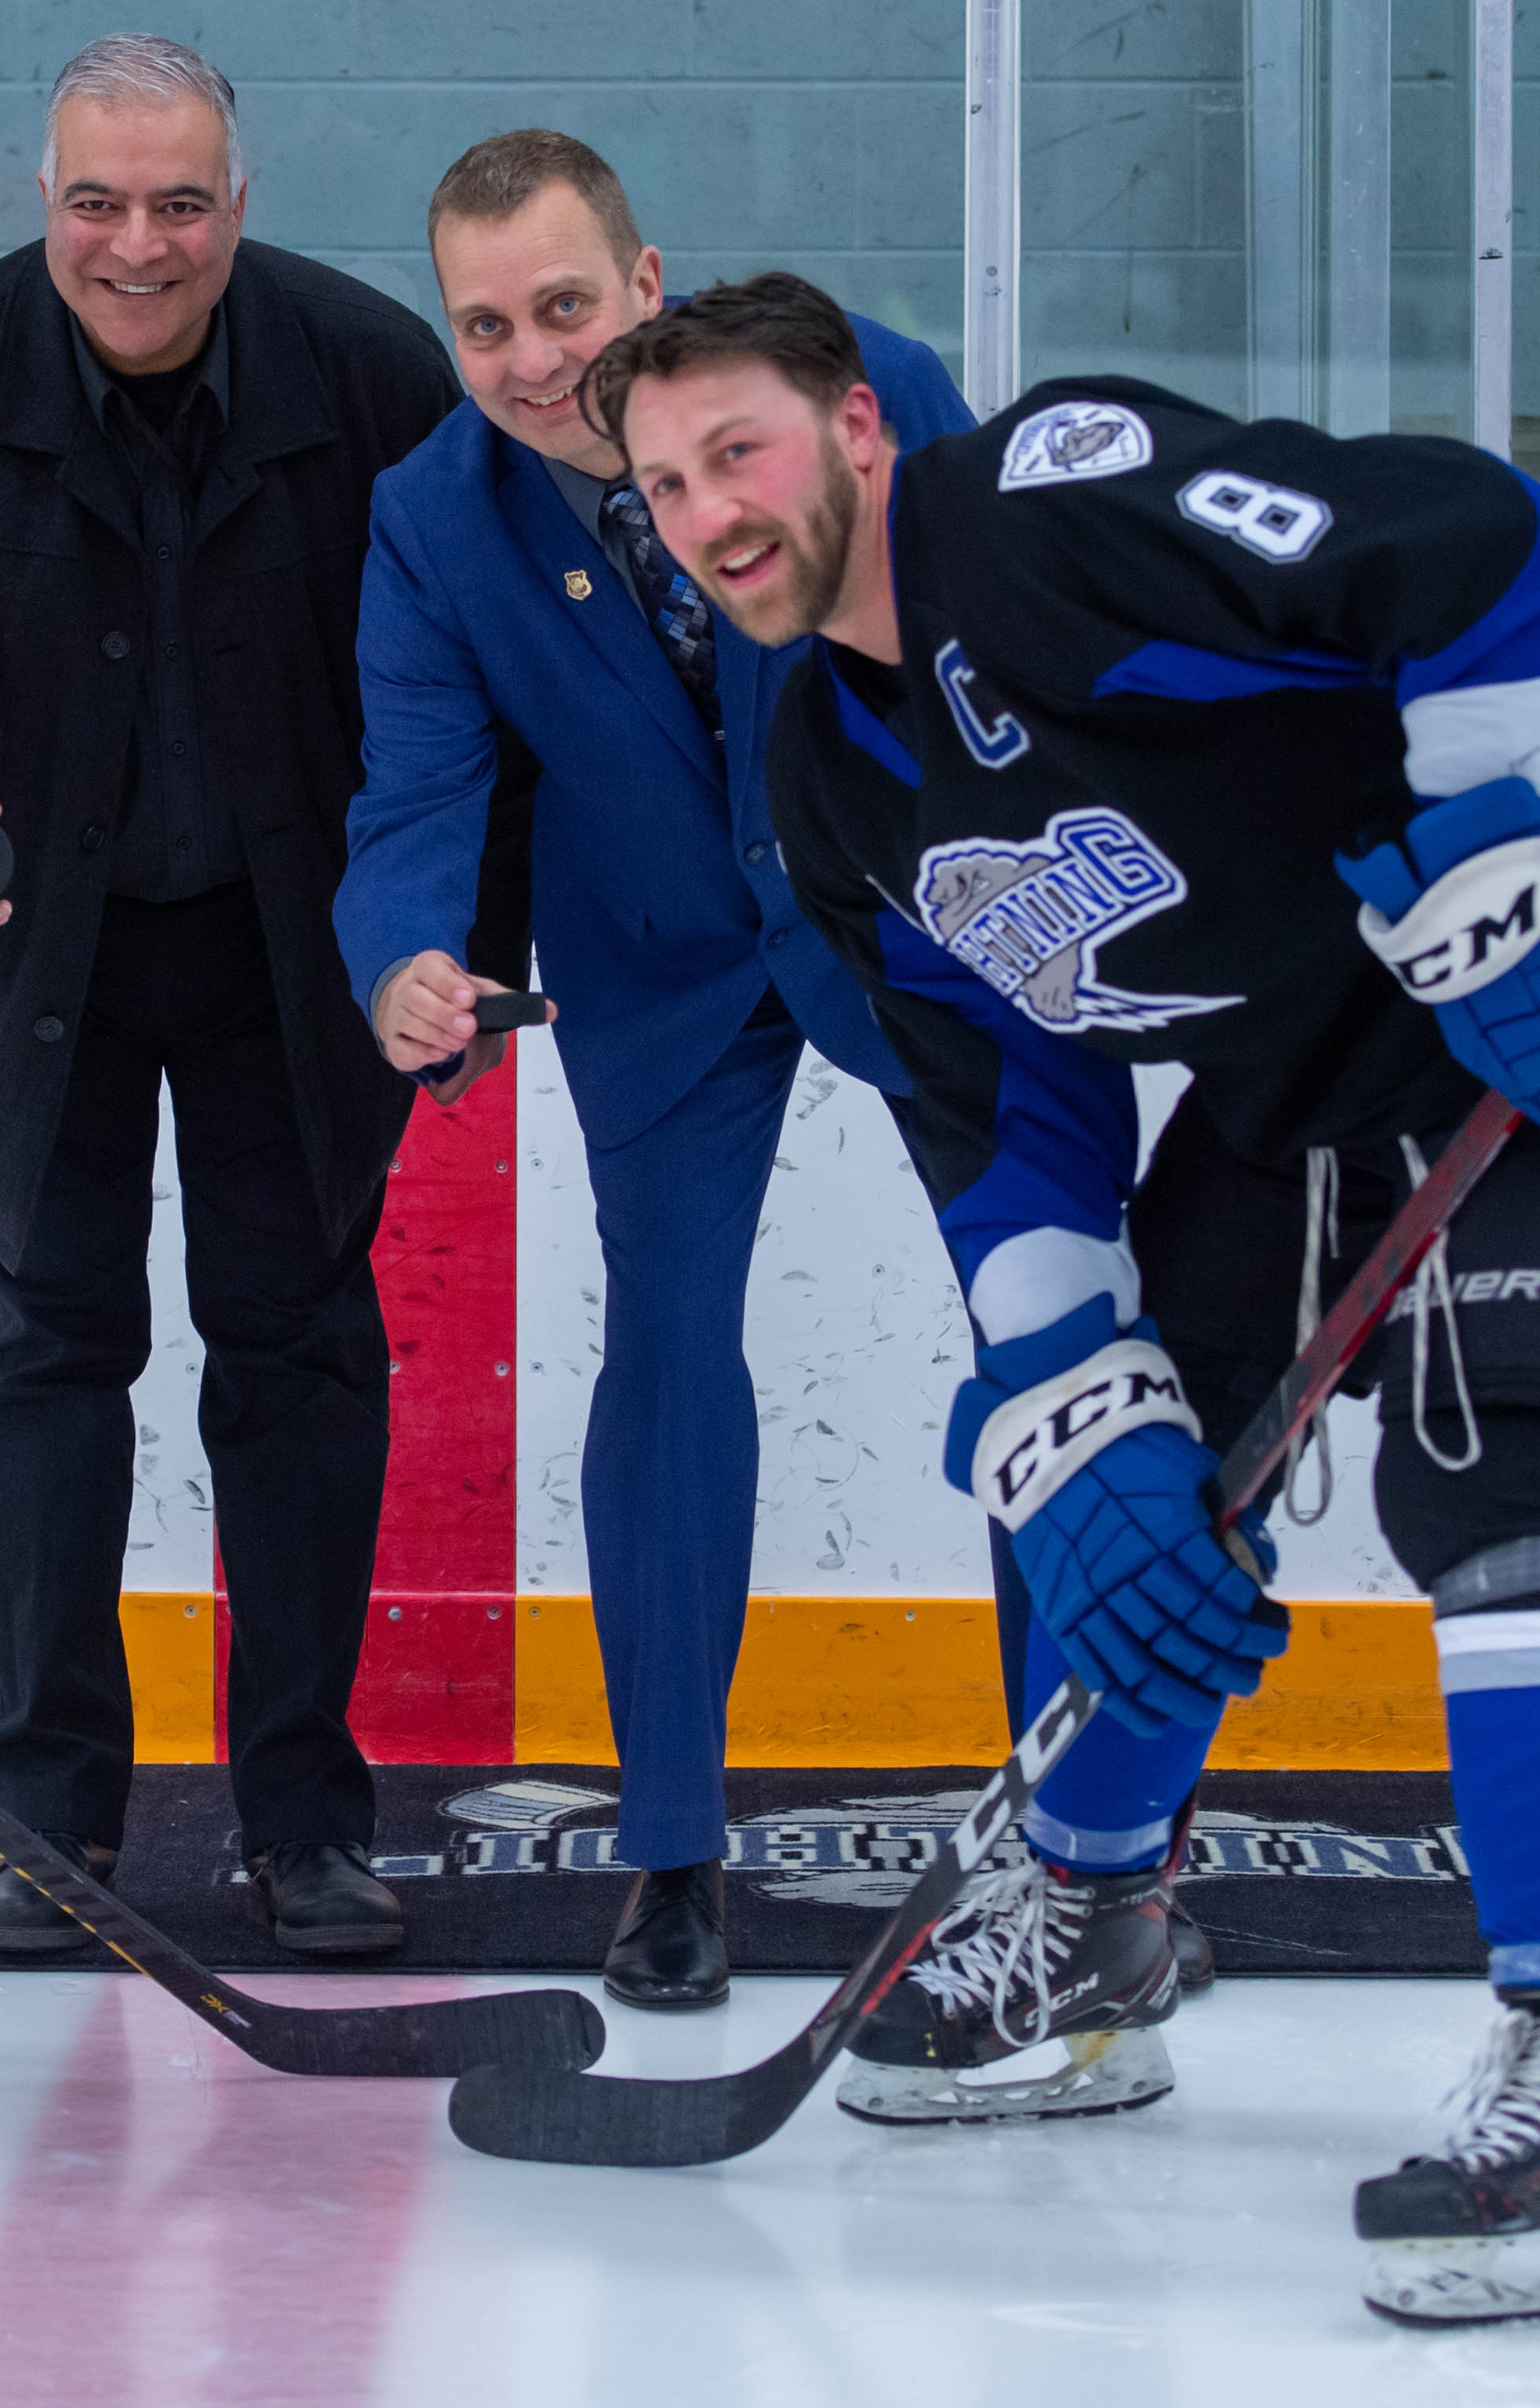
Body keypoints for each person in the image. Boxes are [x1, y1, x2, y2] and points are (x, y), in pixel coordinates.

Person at [603, 274, 1540, 2325]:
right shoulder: (830, 774)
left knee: (1504, 1499)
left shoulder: (1049, 506)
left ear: (853, 427)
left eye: (736, 451)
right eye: (667, 488)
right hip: (1289, 1072)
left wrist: (1498, 854)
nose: (710, 514)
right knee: (1123, 1494)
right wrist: (1073, 1370)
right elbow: (994, 1099)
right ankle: (1095, 1930)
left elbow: (1482, 548)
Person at [0, 36, 512, 1963]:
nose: (139, 245)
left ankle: (307, 1822)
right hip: (33, 954)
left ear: (239, 206)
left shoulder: (367, 374)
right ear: (45, 198)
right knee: (42, 1353)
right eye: (99, 203)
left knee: (298, 1354)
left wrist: (455, 927)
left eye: (180, 204)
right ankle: (48, 1825)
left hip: (296, 958)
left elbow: (458, 674)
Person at [333, 132, 982, 2011]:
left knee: (1047, 1344)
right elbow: (415, 786)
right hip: (654, 960)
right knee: (668, 1349)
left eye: (561, 305)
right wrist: (406, 958)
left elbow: (1001, 651)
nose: (531, 360)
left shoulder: (851, 385)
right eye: (481, 327)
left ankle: (1091, 1838)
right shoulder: (433, 515)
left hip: (914, 926)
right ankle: (675, 1852)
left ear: (645, 282)